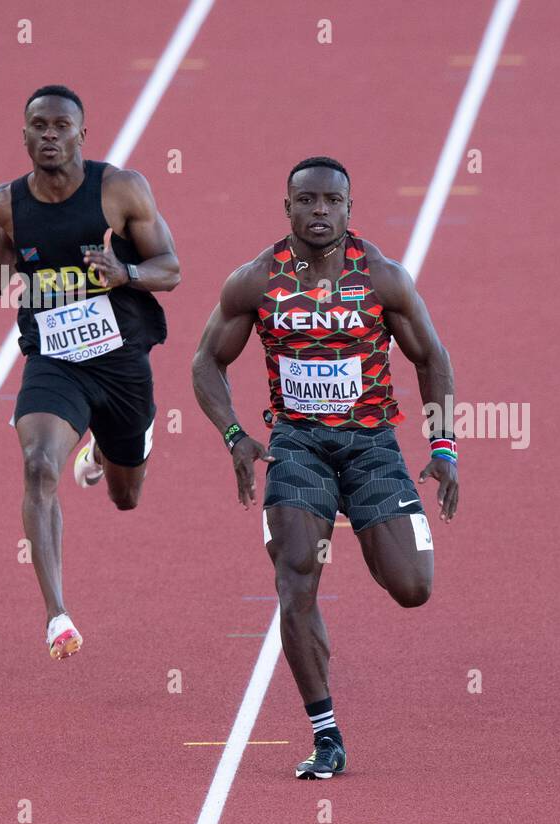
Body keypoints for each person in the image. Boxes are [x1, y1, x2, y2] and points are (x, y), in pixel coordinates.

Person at [192, 156, 459, 779]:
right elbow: (206, 361)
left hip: (371, 446)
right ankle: (326, 732)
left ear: (348, 207)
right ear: (286, 208)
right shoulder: (257, 281)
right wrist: (234, 434)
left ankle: (371, 532)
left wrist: (442, 447)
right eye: (306, 201)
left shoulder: (384, 278)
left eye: (331, 201)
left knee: (412, 587)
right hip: (297, 446)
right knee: (295, 582)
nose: (319, 212)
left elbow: (433, 358)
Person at [0, 84, 181, 660]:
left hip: (119, 361)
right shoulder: (5, 202)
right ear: (25, 136)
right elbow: (4, 252)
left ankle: (114, 448)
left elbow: (171, 268)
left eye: (62, 126)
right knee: (37, 466)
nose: (51, 135)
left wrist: (124, 273)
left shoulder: (120, 190)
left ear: (83, 134)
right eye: (40, 126)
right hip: (54, 359)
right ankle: (57, 614)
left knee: (126, 497)